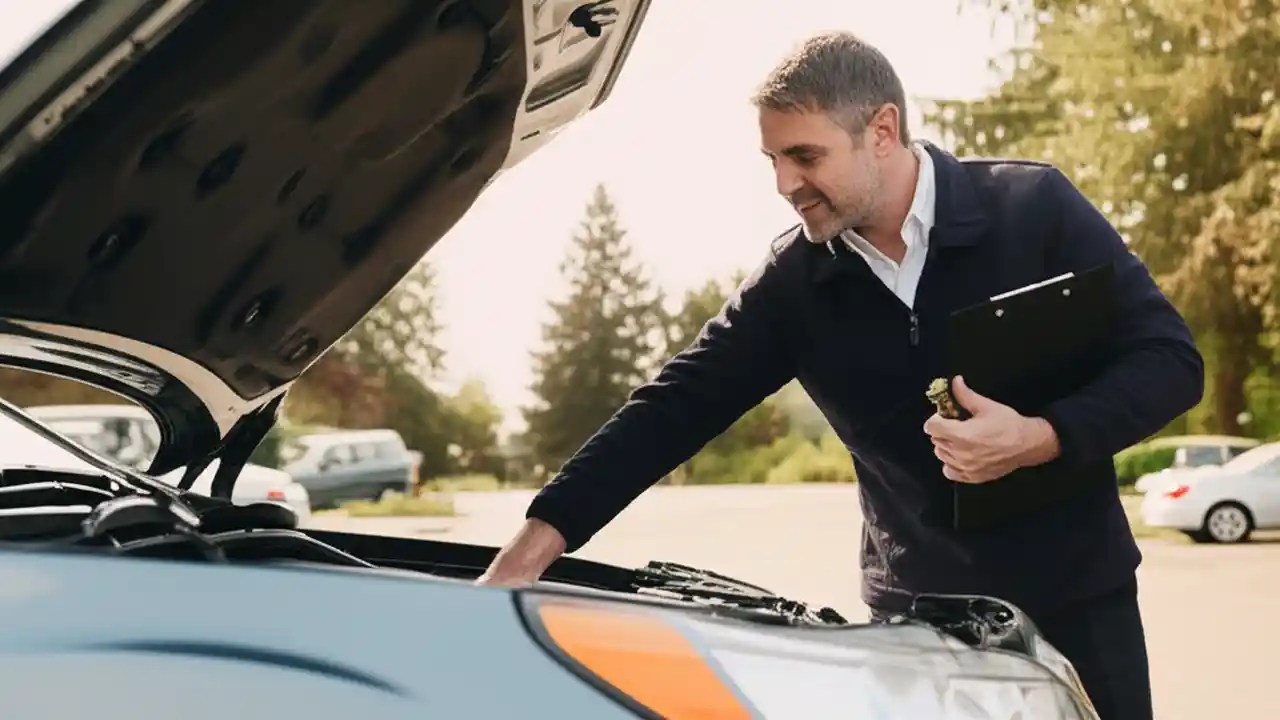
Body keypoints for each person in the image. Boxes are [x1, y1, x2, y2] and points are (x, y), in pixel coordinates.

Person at [479, 32, 1203, 720]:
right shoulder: (792, 285)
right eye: (772, 160)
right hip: (918, 631)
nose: (785, 183)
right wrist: (532, 548)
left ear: (881, 131)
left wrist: (1042, 437)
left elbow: (1170, 361)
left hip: (1082, 606)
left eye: (804, 156)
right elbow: (671, 409)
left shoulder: (1035, 209)